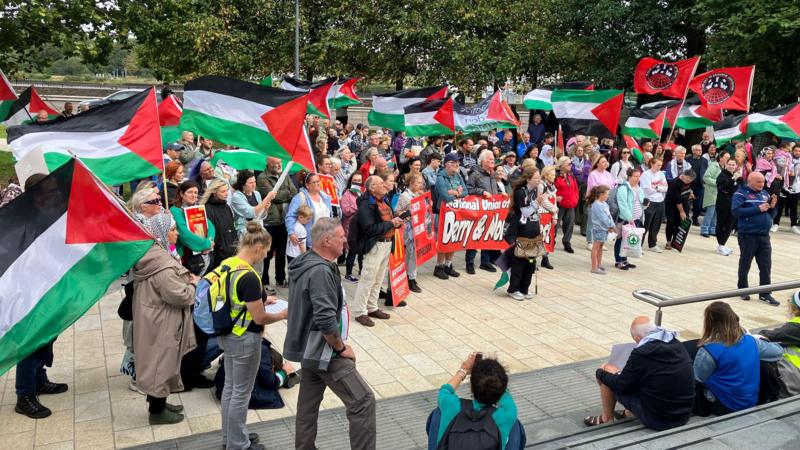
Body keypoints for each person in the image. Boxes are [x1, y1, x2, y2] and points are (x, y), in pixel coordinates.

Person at [284, 218, 376, 450]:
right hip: (325, 351)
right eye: (341, 237)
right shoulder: (320, 271)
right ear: (326, 240)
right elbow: (325, 320)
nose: (345, 241)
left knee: (307, 408)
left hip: (309, 350)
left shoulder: (307, 261)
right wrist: (340, 348)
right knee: (363, 400)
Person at [215, 222, 288, 450]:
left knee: (230, 388)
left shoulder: (228, 264)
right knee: (241, 393)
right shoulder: (250, 277)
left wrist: (263, 299)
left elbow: (234, 297)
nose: (267, 255)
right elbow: (260, 318)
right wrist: (283, 314)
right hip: (245, 339)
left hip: (227, 334)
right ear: (257, 247)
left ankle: (230, 437)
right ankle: (238, 444)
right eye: (266, 251)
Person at [131, 213, 200, 424]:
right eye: (172, 229)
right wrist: (194, 284)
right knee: (161, 364)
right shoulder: (162, 264)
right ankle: (157, 411)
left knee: (159, 362)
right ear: (161, 232)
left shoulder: (153, 254)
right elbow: (181, 296)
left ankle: (158, 402)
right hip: (162, 321)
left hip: (154, 317)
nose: (177, 233)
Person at [586, 316, 694, 430]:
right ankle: (630, 413)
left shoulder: (642, 353)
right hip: (683, 415)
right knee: (650, 379)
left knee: (606, 370)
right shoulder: (674, 342)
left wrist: (600, 374)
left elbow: (621, 385)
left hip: (660, 420)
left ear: (638, 338)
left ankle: (606, 419)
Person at [693, 302, 783, 415]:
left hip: (724, 404)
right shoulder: (752, 341)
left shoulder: (708, 350)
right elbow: (778, 352)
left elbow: (697, 377)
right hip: (750, 401)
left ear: (709, 323)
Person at [427, 353, 523, 450]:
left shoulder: (451, 405)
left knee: (438, 413)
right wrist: (494, 380)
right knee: (514, 425)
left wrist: (464, 369)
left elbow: (445, 390)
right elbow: (502, 390)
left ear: (471, 386)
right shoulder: (507, 413)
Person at [350, 176, 402, 327]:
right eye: (380, 183)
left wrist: (397, 221)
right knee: (367, 280)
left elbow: (388, 219)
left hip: (387, 243)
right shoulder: (366, 204)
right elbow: (369, 228)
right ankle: (360, 312)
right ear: (372, 188)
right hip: (375, 245)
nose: (384, 185)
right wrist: (391, 224)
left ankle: (372, 307)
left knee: (378, 279)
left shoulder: (384, 199)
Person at [733, 172, 779, 305]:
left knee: (766, 265)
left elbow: (771, 215)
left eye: (763, 182)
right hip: (748, 235)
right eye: (759, 182)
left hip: (764, 235)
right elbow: (736, 212)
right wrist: (758, 209)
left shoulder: (765, 194)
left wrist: (773, 207)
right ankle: (742, 289)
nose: (762, 184)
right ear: (750, 181)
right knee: (745, 262)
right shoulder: (740, 194)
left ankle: (765, 293)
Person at [256, 157, 297, 290]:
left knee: (281, 252)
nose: (279, 165)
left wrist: (281, 194)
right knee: (267, 253)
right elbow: (274, 196)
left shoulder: (284, 175)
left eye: (280, 163)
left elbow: (294, 192)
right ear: (269, 164)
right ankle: (264, 280)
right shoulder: (262, 178)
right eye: (276, 163)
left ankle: (280, 278)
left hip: (283, 220)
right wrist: (283, 194)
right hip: (270, 221)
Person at [506, 170, 543, 300]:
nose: (539, 180)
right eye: (536, 178)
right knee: (520, 260)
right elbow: (525, 213)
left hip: (533, 229)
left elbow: (536, 211)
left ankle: (524, 288)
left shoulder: (535, 191)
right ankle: (513, 289)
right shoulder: (521, 192)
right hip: (522, 230)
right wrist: (537, 202)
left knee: (531, 261)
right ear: (528, 179)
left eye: (539, 178)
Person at [466, 149, 502, 274]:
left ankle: (485, 262)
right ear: (482, 161)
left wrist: (500, 193)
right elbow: (469, 189)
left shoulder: (493, 174)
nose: (492, 160)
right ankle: (470, 262)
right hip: (478, 211)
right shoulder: (475, 174)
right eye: (490, 159)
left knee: (488, 235)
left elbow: (494, 189)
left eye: (493, 159)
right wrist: (482, 192)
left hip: (491, 210)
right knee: (475, 236)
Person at [433, 153, 467, 279]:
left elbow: (466, 192)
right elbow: (445, 197)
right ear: (447, 164)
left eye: (458, 162)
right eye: (454, 162)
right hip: (443, 213)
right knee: (444, 239)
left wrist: (454, 193)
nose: (457, 164)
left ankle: (448, 265)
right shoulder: (440, 177)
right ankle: (439, 266)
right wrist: (457, 193)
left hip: (456, 211)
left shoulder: (458, 175)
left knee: (453, 238)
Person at [760, 291, 800, 397]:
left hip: (795, 385)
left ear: (794, 308)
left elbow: (767, 336)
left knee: (769, 350)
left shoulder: (795, 327)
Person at [285, 171, 332, 250]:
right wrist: (291, 233)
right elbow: (290, 216)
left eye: (318, 181)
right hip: (309, 242)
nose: (318, 183)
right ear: (307, 185)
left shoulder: (324, 196)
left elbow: (330, 215)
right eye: (314, 182)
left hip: (325, 240)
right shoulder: (300, 198)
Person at [395, 172, 424, 293]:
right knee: (411, 254)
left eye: (422, 183)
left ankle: (410, 276)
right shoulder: (405, 196)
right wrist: (406, 214)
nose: (421, 185)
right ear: (411, 183)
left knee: (413, 254)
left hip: (417, 227)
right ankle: (410, 278)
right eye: (419, 182)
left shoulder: (417, 194)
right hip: (409, 229)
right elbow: (397, 211)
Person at [201, 179, 238, 268]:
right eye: (223, 191)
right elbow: (210, 232)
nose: (226, 194)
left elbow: (232, 227)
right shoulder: (207, 209)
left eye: (227, 190)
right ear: (214, 193)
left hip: (232, 250)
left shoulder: (226, 206)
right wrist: (221, 248)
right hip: (218, 253)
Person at [613, 169, 645, 270]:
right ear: (629, 177)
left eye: (639, 176)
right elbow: (622, 205)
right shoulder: (623, 188)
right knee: (620, 239)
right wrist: (629, 218)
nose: (637, 178)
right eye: (635, 176)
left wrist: (645, 204)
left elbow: (640, 203)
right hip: (625, 219)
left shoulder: (638, 188)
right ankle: (618, 261)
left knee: (627, 240)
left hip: (636, 218)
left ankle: (624, 260)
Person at [585, 154, 616, 249]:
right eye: (603, 162)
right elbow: (593, 188)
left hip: (605, 201)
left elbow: (613, 185)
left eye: (606, 161)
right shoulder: (593, 174)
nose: (605, 163)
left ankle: (601, 241)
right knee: (592, 222)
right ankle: (590, 241)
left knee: (602, 221)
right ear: (597, 164)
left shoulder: (608, 174)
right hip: (595, 200)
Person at [230, 170, 273, 238]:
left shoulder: (256, 193)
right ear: (242, 184)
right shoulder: (237, 196)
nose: (254, 185)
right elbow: (251, 213)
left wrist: (265, 209)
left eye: (254, 182)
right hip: (245, 231)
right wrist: (267, 199)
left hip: (258, 229)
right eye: (250, 183)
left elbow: (261, 216)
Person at [639, 157, 667, 252]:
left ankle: (652, 244)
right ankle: (639, 245)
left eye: (661, 165)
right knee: (645, 224)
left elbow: (666, 188)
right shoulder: (646, 175)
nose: (660, 167)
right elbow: (648, 190)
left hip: (660, 201)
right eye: (658, 165)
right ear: (652, 164)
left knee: (656, 224)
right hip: (650, 202)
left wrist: (656, 187)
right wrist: (660, 188)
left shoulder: (661, 174)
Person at [664, 170, 696, 250]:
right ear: (683, 175)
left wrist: (691, 193)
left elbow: (689, 189)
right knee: (671, 222)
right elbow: (677, 200)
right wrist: (681, 212)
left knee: (680, 223)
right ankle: (668, 241)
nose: (688, 182)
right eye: (688, 179)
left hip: (684, 203)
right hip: (672, 205)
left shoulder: (689, 181)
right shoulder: (675, 183)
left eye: (690, 180)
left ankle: (675, 241)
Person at [341, 172, 364, 282]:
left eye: (359, 180)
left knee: (362, 250)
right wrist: (358, 208)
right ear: (351, 181)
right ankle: (348, 273)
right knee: (352, 251)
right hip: (351, 226)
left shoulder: (363, 192)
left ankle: (361, 270)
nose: (357, 182)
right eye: (355, 180)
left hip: (362, 226)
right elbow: (346, 210)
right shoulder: (347, 194)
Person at [715, 158, 740, 256]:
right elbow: (725, 189)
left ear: (736, 166)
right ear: (726, 165)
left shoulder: (736, 176)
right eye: (729, 164)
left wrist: (739, 179)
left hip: (733, 205)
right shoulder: (722, 175)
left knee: (729, 226)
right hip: (723, 205)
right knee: (720, 225)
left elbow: (741, 187)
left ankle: (722, 244)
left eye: (733, 165)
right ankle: (720, 245)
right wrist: (733, 180)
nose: (731, 166)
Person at [554, 156, 578, 253]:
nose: (570, 165)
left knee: (569, 225)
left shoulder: (571, 175)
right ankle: (551, 240)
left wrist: (575, 199)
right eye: (569, 163)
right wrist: (555, 198)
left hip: (571, 204)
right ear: (562, 164)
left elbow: (575, 188)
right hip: (559, 204)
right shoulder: (555, 176)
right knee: (555, 224)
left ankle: (567, 242)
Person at [701, 152, 728, 238]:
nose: (728, 159)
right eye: (726, 157)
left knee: (716, 213)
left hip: (720, 194)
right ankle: (704, 230)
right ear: (720, 157)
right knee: (710, 212)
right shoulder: (713, 165)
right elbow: (706, 177)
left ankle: (712, 230)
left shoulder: (725, 167)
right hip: (712, 192)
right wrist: (718, 183)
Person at [589, 185, 614, 275]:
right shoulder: (596, 205)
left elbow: (609, 216)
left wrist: (611, 226)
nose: (608, 196)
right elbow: (603, 218)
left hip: (604, 228)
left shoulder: (604, 204)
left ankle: (598, 264)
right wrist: (611, 225)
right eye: (607, 194)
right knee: (596, 247)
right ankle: (594, 267)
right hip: (599, 229)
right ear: (601, 194)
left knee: (600, 247)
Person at [536, 166, 558, 270]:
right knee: (538, 237)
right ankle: (533, 260)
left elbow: (554, 201)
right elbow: (543, 201)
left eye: (554, 175)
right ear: (545, 175)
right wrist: (554, 209)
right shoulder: (541, 186)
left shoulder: (553, 187)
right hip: (541, 214)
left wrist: (555, 216)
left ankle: (545, 258)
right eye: (552, 175)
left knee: (547, 237)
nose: (554, 177)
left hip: (549, 215)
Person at [687, 144, 709, 226]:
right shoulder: (687, 159)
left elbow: (706, 172)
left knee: (698, 203)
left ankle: (695, 217)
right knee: (687, 201)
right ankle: (686, 217)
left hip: (700, 184)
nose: (700, 151)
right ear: (693, 151)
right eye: (698, 150)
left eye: (701, 150)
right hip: (689, 184)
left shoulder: (704, 160)